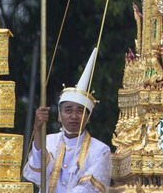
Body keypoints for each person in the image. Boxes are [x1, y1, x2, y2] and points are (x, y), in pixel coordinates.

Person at [23, 48, 111, 193]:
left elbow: (89, 188)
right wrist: (37, 130)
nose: (74, 116)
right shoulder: (48, 141)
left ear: (88, 117)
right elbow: (38, 174)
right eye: (68, 110)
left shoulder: (100, 150)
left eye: (80, 111)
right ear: (59, 116)